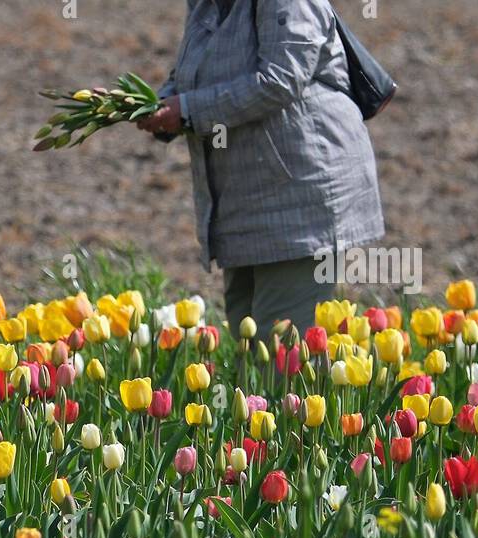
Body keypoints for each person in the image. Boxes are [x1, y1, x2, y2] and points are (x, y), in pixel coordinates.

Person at [138, 0, 384, 334]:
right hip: (246, 198)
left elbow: (280, 79)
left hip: (301, 195)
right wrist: (142, 105)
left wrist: (186, 110)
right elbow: (193, 72)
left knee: (281, 351)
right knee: (249, 343)